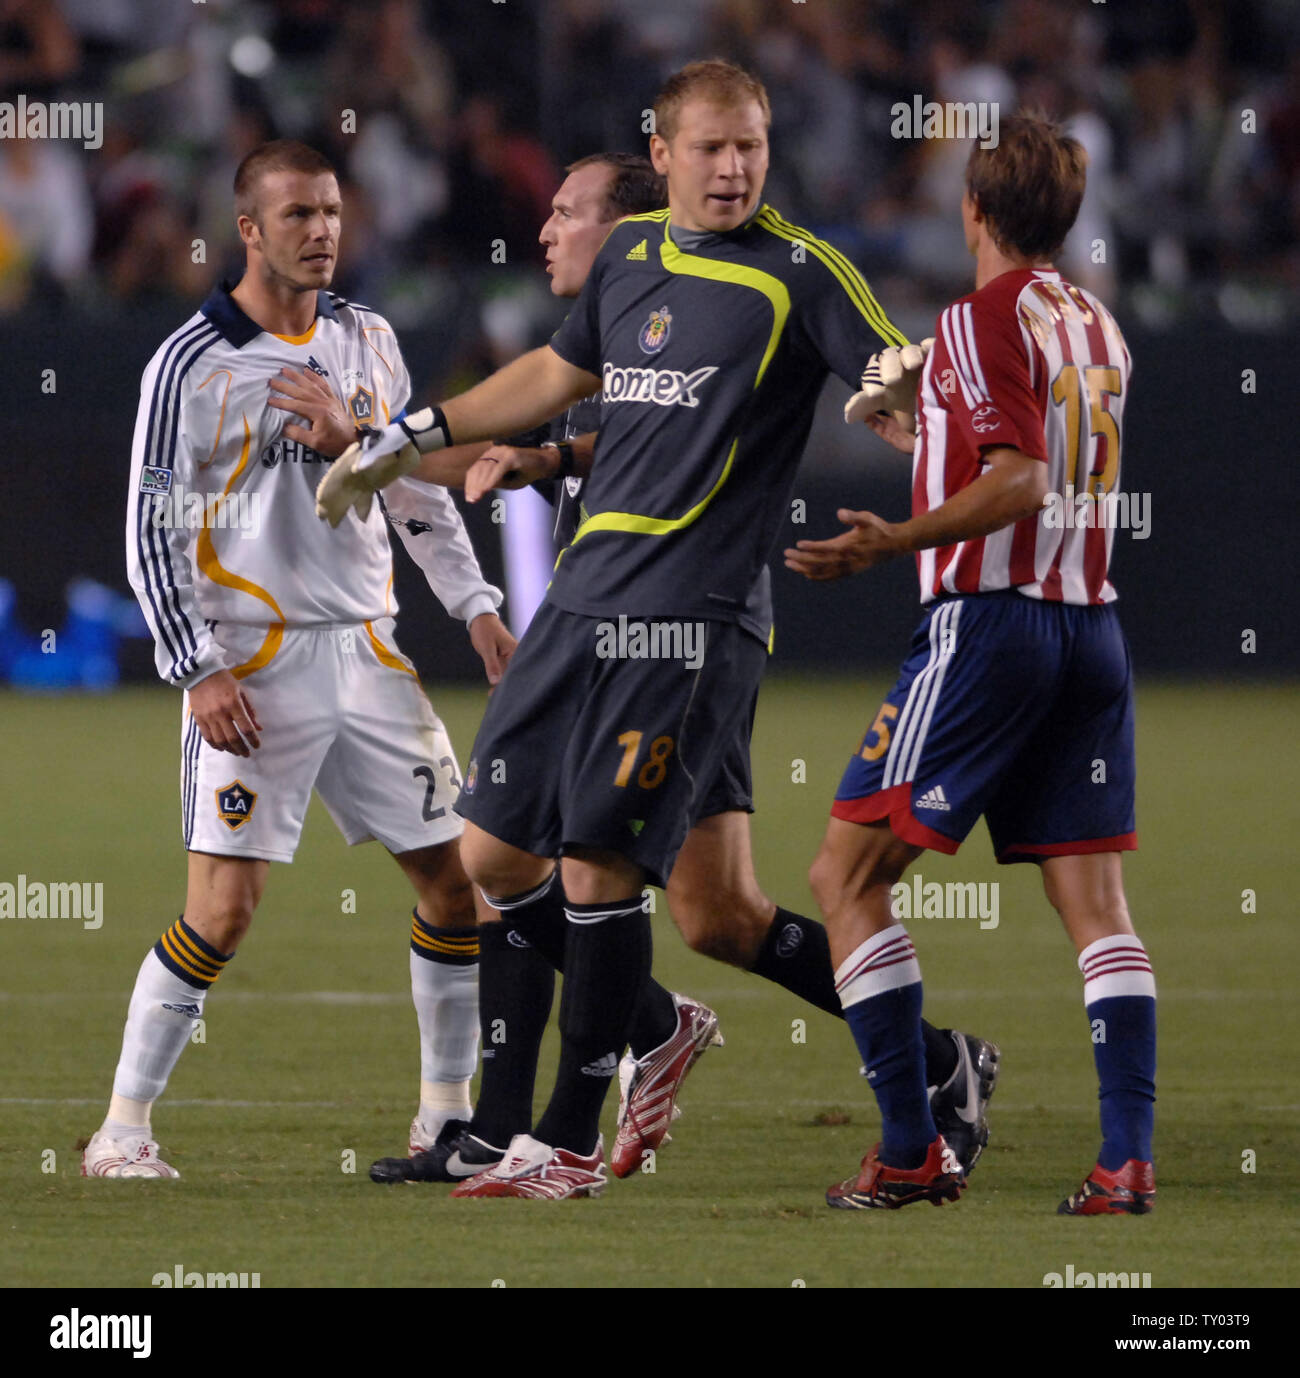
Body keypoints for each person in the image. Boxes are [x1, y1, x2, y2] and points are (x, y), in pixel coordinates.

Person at [323, 62, 1007, 1201]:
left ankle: (565, 1142)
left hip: (691, 622)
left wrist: (899, 394)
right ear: (667, 148)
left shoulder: (801, 271)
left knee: (594, 867)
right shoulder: (635, 255)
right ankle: (936, 1060)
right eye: (711, 148)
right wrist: (411, 431)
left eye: (751, 146)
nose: (734, 168)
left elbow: (892, 364)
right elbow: (556, 372)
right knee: (664, 899)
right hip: (585, 601)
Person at [82, 139, 515, 1178]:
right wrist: (197, 666)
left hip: (369, 652)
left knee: (458, 883)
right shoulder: (189, 361)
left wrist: (477, 605)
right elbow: (150, 528)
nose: (321, 231)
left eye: (330, 211)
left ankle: (443, 1118)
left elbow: (408, 484)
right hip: (253, 667)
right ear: (247, 229)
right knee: (221, 911)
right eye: (297, 215)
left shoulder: (367, 336)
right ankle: (121, 1130)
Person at [786, 112, 1156, 1214]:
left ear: (974, 210)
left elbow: (1018, 478)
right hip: (1090, 628)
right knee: (1098, 908)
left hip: (992, 627)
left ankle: (909, 1149)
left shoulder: (979, 312)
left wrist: (890, 539)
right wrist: (928, 425)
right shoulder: (1097, 323)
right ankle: (1122, 1159)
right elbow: (1028, 457)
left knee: (842, 880)